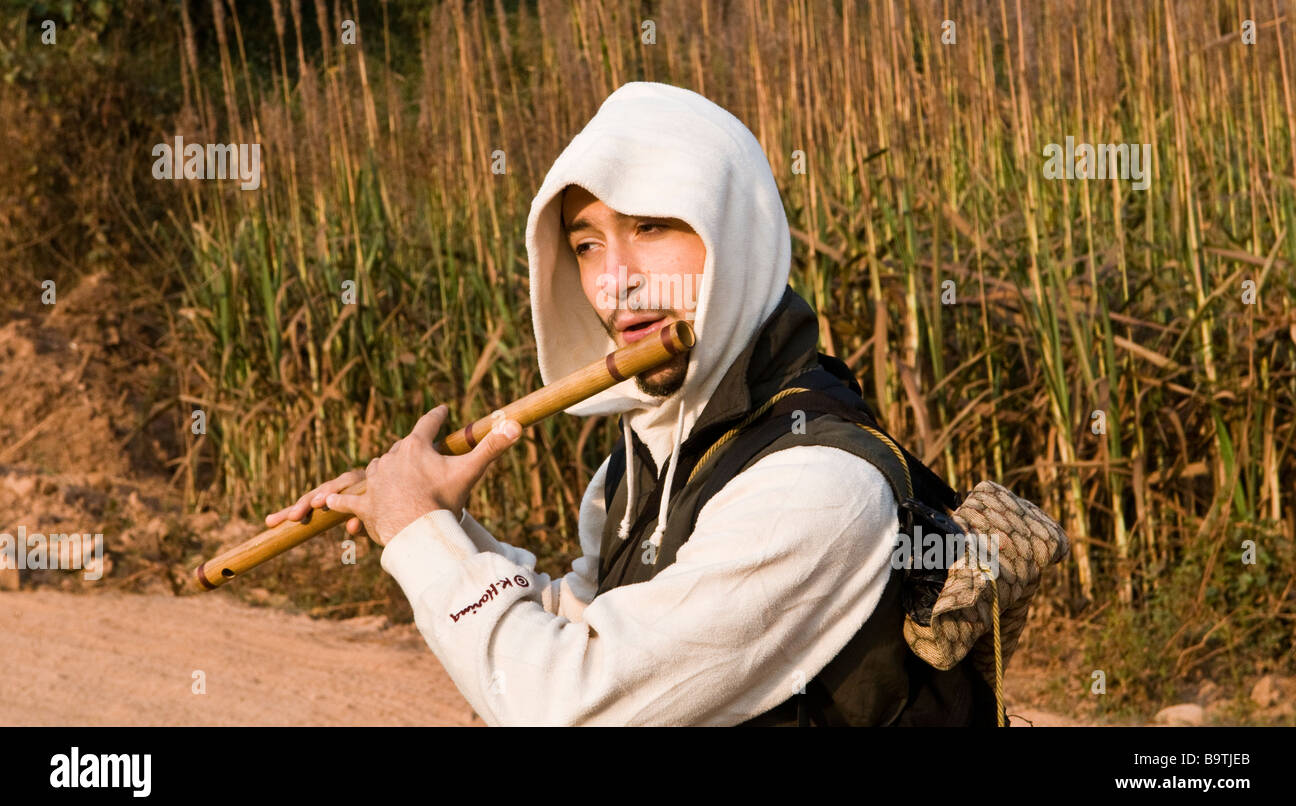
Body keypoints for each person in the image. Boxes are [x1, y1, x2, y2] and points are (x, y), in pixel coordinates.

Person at [267, 81, 994, 725]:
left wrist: (419, 533)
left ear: (734, 235)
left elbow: (569, 705)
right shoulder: (641, 459)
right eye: (586, 245)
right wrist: (441, 526)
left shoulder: (816, 487)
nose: (615, 282)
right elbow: (595, 631)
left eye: (649, 227)